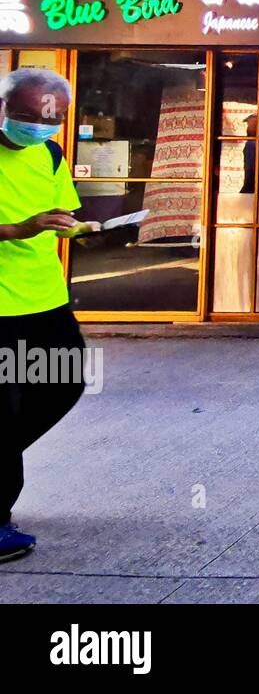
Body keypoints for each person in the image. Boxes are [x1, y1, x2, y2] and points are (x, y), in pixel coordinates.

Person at [0, 68, 87, 562]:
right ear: (5, 107)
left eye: (51, 118)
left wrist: (71, 227)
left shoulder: (52, 153)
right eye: (29, 117)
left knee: (64, 385)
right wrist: (16, 229)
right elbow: (24, 225)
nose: (39, 126)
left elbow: (59, 212)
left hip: (44, 298)